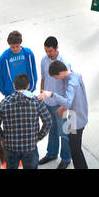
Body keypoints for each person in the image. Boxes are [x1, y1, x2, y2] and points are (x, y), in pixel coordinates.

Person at [0, 74, 51, 168]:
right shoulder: (36, 101)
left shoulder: (5, 102)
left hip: (11, 147)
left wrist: (4, 138)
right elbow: (48, 121)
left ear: (14, 85)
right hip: (30, 146)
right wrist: (38, 137)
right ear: (28, 86)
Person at [47, 61, 89, 169]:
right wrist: (63, 107)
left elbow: (67, 102)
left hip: (77, 119)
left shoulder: (72, 83)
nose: (57, 80)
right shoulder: (72, 73)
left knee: (75, 150)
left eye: (56, 77)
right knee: (73, 146)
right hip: (73, 116)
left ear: (60, 73)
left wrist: (52, 94)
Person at [36, 37, 70, 167]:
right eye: (46, 51)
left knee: (65, 132)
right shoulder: (44, 60)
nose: (48, 54)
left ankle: (66, 158)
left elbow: (69, 87)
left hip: (60, 104)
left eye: (50, 51)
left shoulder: (64, 64)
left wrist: (64, 105)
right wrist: (42, 94)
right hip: (48, 102)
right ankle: (51, 154)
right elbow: (43, 78)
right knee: (52, 129)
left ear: (57, 49)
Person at [0, 30, 37, 97]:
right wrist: (5, 93)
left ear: (20, 44)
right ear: (9, 45)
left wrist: (32, 87)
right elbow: (0, 76)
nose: (15, 49)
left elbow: (34, 72)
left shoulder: (28, 54)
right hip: (11, 93)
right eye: (12, 47)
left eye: (17, 46)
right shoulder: (4, 58)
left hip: (27, 91)